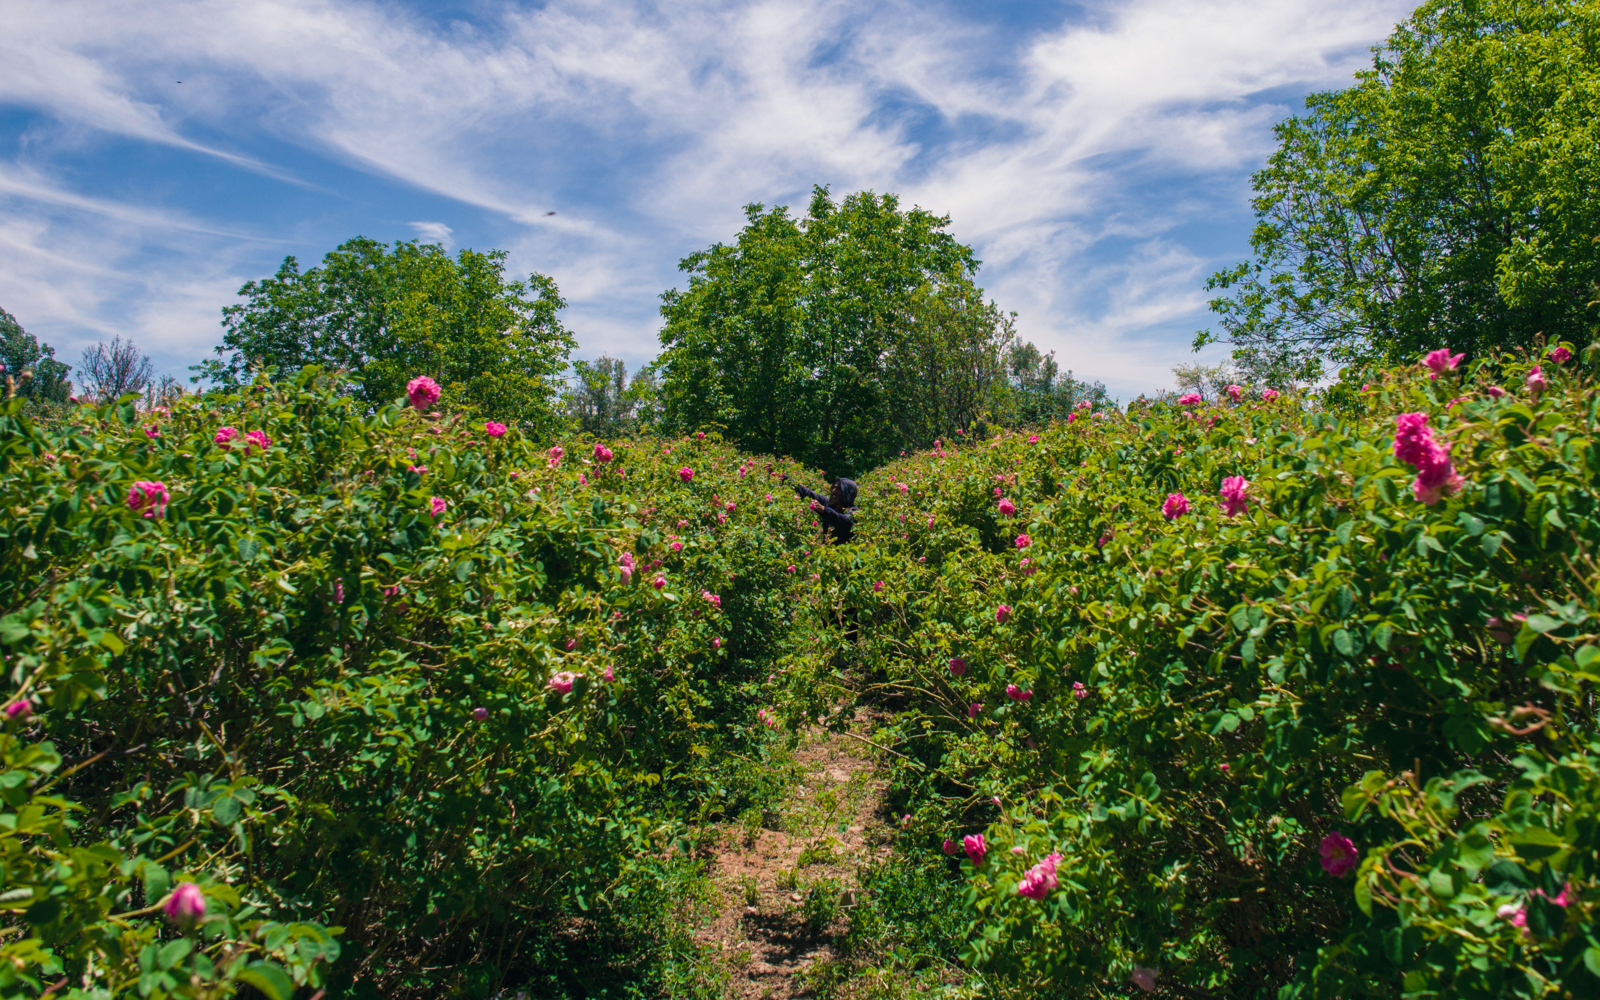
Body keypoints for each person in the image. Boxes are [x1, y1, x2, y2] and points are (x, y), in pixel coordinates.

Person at [790, 476, 857, 544]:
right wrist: (790, 481)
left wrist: (824, 511)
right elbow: (809, 494)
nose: (834, 490)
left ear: (847, 493)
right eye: (834, 487)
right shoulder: (828, 503)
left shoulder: (854, 511)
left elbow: (843, 520)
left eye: (838, 489)